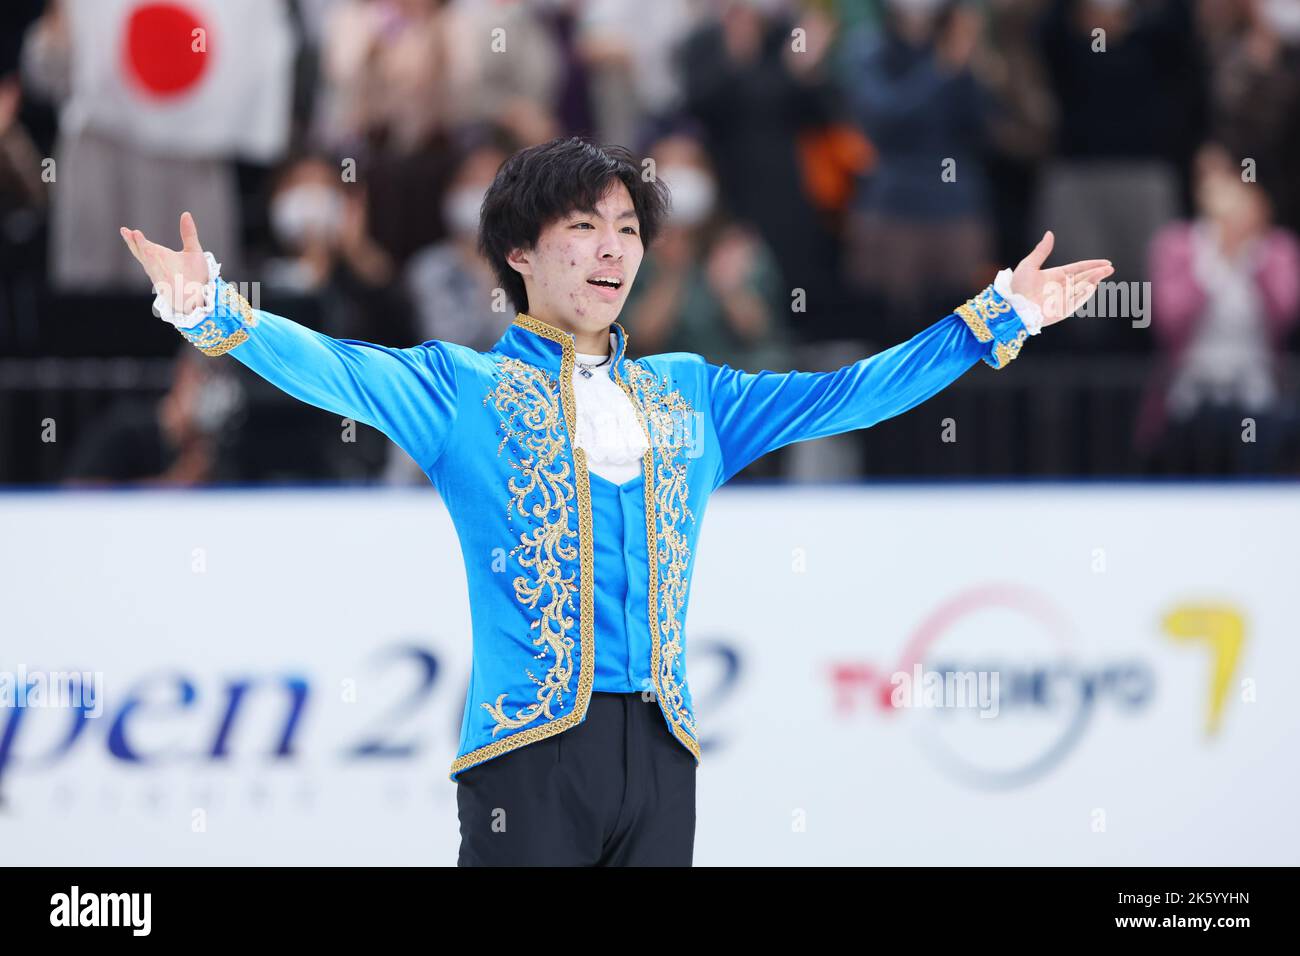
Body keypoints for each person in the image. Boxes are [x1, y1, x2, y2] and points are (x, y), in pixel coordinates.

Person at [118, 136, 1111, 866]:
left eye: (627, 230)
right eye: (584, 227)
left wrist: (992, 318)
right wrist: (214, 311)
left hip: (665, 758)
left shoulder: (689, 395)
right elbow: (335, 367)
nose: (612, 250)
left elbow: (845, 394)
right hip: (529, 755)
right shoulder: (462, 391)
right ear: (520, 252)